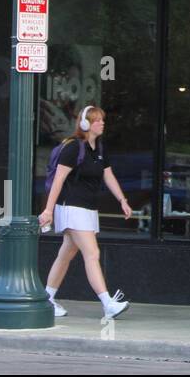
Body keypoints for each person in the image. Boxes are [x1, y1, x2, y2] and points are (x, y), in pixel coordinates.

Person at [38, 105, 131, 319]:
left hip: (88, 209)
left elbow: (108, 175)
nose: (102, 123)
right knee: (92, 253)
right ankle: (108, 303)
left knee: (66, 254)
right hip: (71, 207)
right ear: (85, 124)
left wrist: (122, 200)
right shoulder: (73, 148)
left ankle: (46, 299)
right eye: (97, 120)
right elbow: (58, 180)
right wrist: (48, 210)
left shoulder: (99, 149)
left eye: (102, 119)